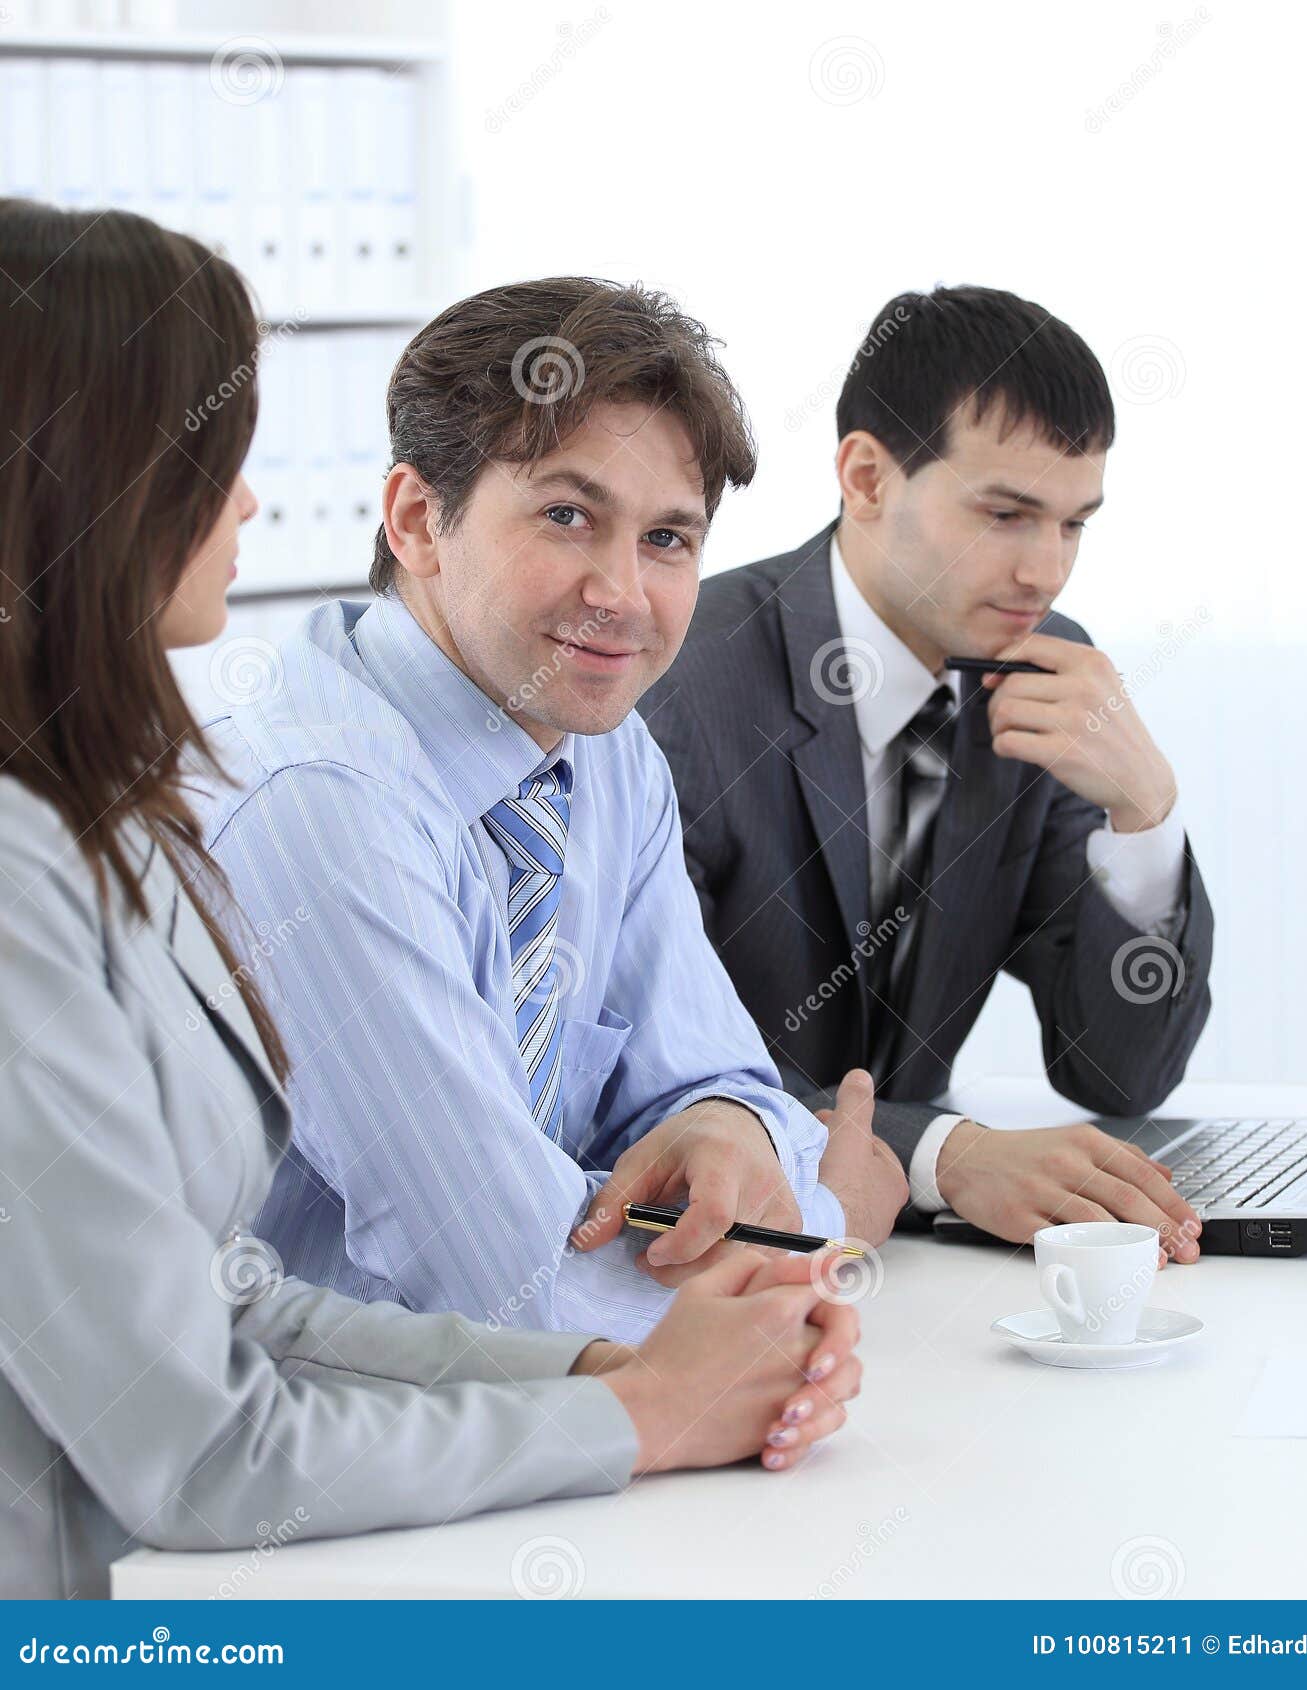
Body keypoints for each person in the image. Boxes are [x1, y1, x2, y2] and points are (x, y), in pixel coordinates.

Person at [0, 202, 863, 1600]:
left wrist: (719, 1214)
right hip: (193, 1582)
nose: (249, 503)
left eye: (667, 537)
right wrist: (655, 1391)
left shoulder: (92, 811)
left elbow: (228, 1298)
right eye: (208, 458)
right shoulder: (275, 807)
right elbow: (223, 1429)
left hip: (362, 1505)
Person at [194, 278, 909, 1345]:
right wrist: (826, 1224)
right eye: (567, 516)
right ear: (417, 520)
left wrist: (727, 1130)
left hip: (545, 1417)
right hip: (323, 1419)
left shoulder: (604, 751)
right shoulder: (318, 803)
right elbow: (498, 1281)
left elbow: (714, 1076)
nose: (622, 593)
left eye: (667, 539)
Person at [640, 285, 1213, 1257]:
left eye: (1074, 524)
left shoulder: (1041, 671)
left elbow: (1119, 1074)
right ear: (866, 478)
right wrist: (944, 1155)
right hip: (722, 1256)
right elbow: (661, 1072)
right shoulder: (681, 678)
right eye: (1006, 514)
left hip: (910, 1265)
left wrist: (1145, 818)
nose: (1045, 571)